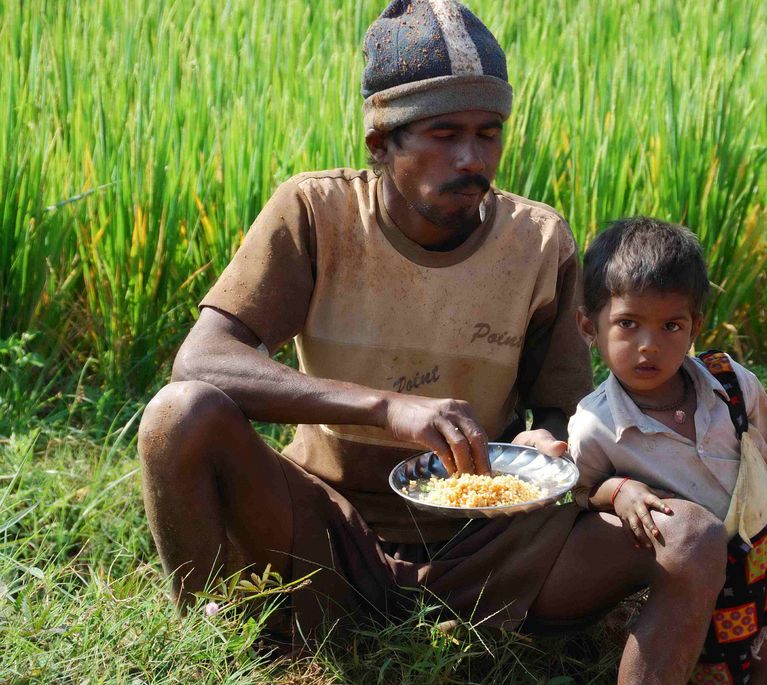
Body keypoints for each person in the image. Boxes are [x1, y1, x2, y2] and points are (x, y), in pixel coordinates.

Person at [138, 2, 728, 682]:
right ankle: (213, 645)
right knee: (177, 414)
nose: (471, 158)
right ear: (379, 142)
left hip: (491, 545)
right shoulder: (315, 214)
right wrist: (388, 408)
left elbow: (560, 407)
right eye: (443, 134)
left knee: (688, 537)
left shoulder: (537, 242)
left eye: (488, 133)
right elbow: (201, 359)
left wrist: (545, 437)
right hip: (320, 530)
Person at [568, 217, 767, 685]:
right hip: (701, 584)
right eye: (627, 324)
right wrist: (619, 490)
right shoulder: (594, 425)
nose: (649, 346)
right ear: (588, 326)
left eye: (671, 325)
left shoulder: (733, 384)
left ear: (695, 326)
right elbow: (583, 492)